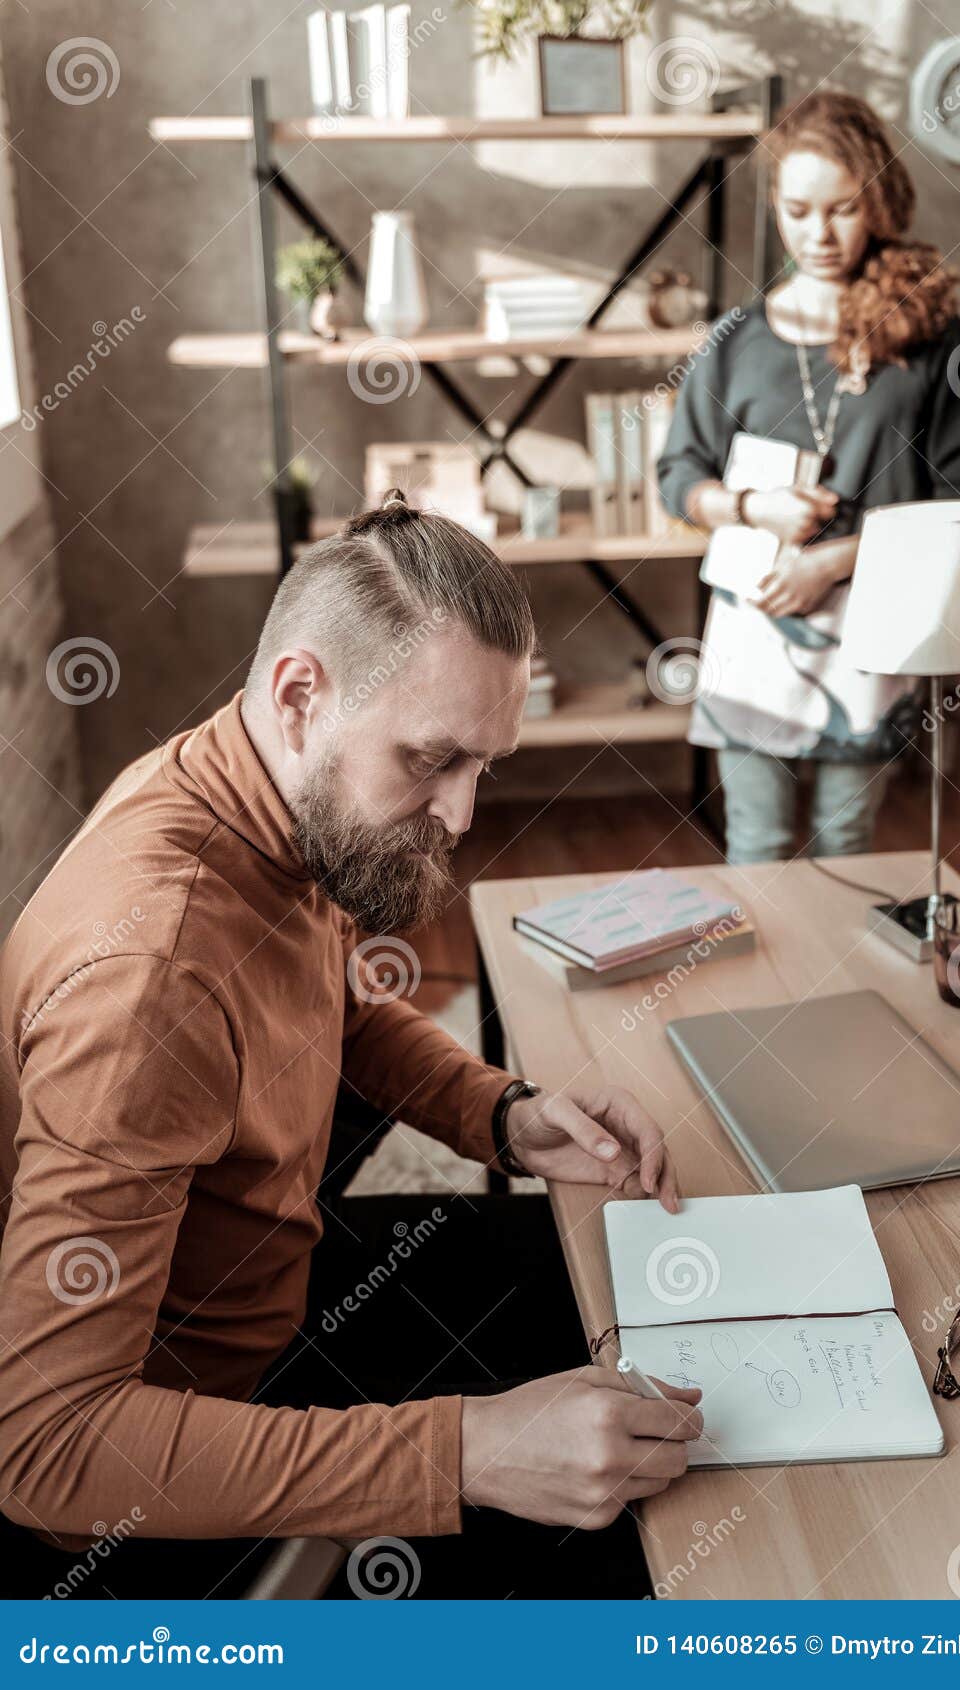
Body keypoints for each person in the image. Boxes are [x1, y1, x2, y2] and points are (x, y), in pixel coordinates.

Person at [0, 491, 702, 1600]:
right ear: (298, 695)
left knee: (612, 1300)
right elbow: (48, 1450)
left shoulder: (254, 791)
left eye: (485, 764)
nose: (462, 815)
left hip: (275, 1285)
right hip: (171, 1470)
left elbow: (330, 1007)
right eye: (431, 760)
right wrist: (468, 1450)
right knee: (651, 1543)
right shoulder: (147, 983)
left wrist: (501, 1112)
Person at [657, 90, 960, 865]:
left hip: (872, 627)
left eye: (842, 209)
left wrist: (829, 560)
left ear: (878, 202)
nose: (819, 234)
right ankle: (771, 993)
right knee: (756, 842)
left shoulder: (931, 334)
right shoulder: (735, 341)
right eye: (798, 210)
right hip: (752, 631)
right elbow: (677, 477)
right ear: (775, 205)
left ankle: (845, 992)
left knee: (847, 844)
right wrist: (754, 506)